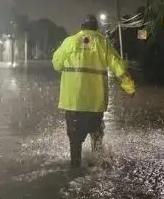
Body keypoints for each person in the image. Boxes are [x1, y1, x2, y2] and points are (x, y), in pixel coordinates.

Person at [52, 14, 136, 168]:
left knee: (74, 142)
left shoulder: (69, 41)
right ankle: (97, 167)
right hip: (95, 103)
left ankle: (75, 168)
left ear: (82, 28)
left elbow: (56, 64)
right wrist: (128, 87)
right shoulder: (103, 42)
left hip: (73, 103)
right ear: (96, 28)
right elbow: (117, 65)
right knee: (96, 138)